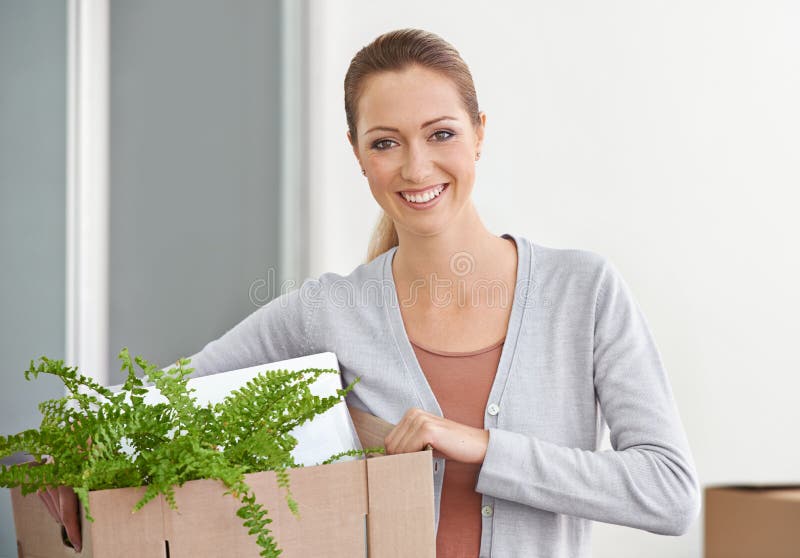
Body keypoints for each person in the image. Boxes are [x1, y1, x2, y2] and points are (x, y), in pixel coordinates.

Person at [185, 28, 700, 558]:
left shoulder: (582, 292)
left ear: (480, 133)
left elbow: (669, 493)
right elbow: (157, 412)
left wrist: (480, 447)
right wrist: (337, 427)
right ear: (358, 154)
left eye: (441, 134)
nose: (416, 167)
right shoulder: (325, 313)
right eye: (385, 142)